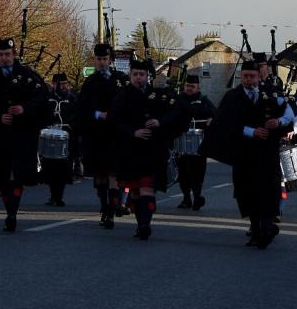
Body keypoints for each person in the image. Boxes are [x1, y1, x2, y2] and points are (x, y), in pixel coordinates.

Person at [203, 59, 294, 248]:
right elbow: (225, 123)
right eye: (245, 76)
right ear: (240, 76)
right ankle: (256, 229)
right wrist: (251, 131)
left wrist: (278, 122)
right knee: (248, 192)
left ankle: (267, 228)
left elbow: (289, 114)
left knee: (268, 191)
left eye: (252, 76)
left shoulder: (270, 93)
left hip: (267, 153)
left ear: (259, 76)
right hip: (244, 153)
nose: (248, 80)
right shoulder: (233, 96)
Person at [0, 37, 49, 233]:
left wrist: (24, 108)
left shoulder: (27, 75)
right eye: (0, 54)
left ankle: (12, 212)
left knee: (17, 176)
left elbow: (42, 97)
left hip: (22, 134)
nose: (4, 58)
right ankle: (9, 212)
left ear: (14, 55)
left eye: (7, 54)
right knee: (3, 177)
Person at [109, 57, 188, 241]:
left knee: (147, 188)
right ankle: (140, 224)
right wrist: (133, 132)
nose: (138, 78)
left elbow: (178, 109)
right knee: (135, 191)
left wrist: (161, 121)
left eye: (142, 74)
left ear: (148, 76)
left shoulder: (159, 94)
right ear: (130, 75)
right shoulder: (122, 95)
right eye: (135, 74)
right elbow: (114, 120)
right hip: (130, 150)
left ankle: (145, 225)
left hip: (152, 151)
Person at [73, 43, 129, 228]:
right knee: (100, 176)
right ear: (95, 60)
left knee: (113, 173)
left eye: (105, 59)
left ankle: (111, 212)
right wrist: (97, 114)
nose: (102, 63)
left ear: (110, 59)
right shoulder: (90, 83)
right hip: (96, 134)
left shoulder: (120, 80)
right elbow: (81, 110)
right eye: (99, 59)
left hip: (115, 134)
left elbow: (129, 104)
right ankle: (104, 206)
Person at [174, 72, 215, 210]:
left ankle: (197, 197)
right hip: (181, 140)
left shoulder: (204, 100)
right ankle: (186, 198)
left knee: (198, 172)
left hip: (199, 142)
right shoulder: (178, 99)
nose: (189, 88)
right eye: (187, 86)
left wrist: (211, 119)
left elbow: (215, 114)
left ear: (198, 87)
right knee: (183, 172)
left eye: (192, 86)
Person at [42, 72, 76, 207]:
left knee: (63, 167)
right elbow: (42, 112)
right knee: (50, 166)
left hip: (66, 137)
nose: (63, 87)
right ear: (53, 84)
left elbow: (77, 113)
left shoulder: (71, 99)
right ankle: (52, 195)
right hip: (50, 136)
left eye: (64, 84)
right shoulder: (47, 98)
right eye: (59, 84)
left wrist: (71, 125)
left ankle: (59, 196)